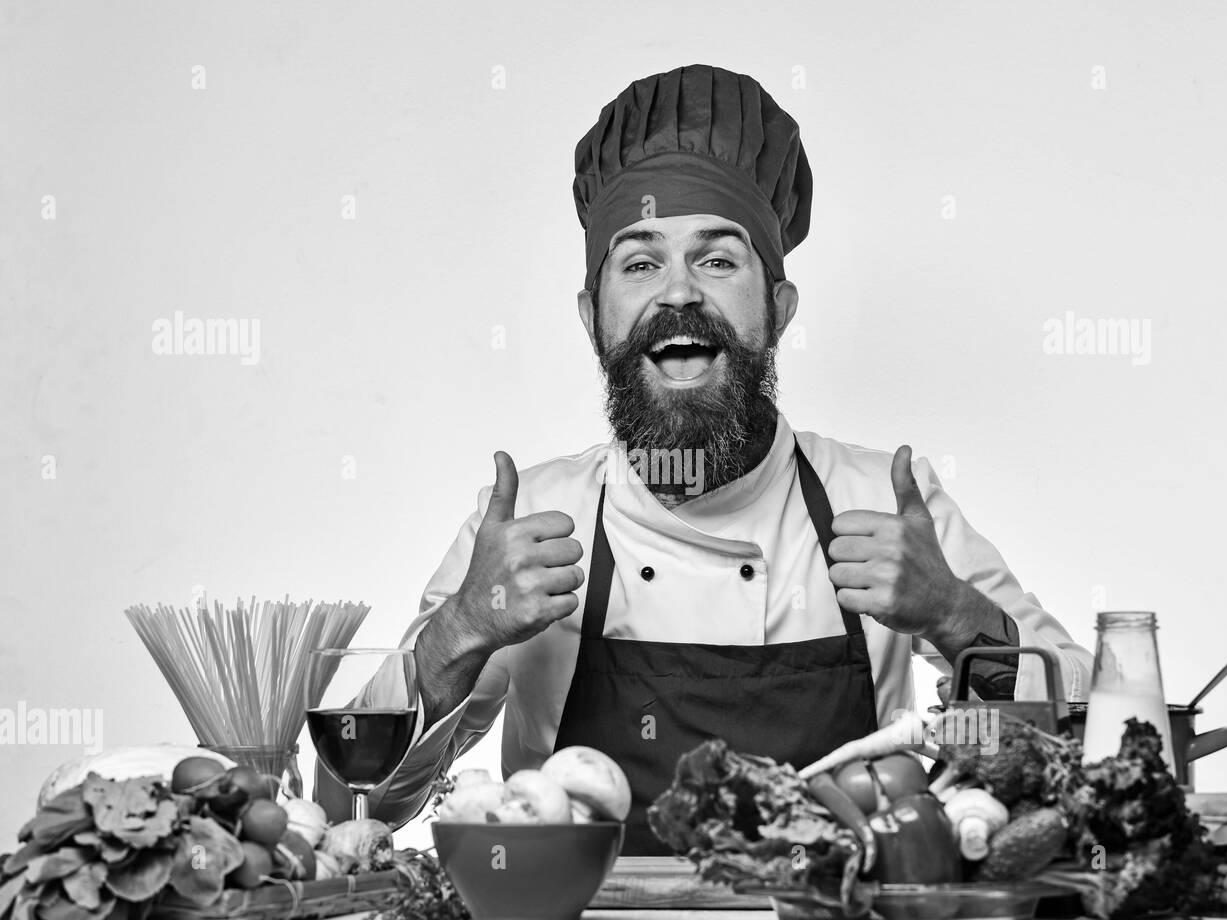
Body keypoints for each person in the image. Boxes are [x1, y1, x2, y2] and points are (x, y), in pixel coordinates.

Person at [316, 65, 1092, 853]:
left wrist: (957, 618)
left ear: (779, 310)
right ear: (594, 317)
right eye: (640, 263)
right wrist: (461, 631)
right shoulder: (528, 522)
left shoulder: (881, 499)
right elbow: (355, 805)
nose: (679, 294)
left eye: (718, 261)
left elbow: (1087, 741)